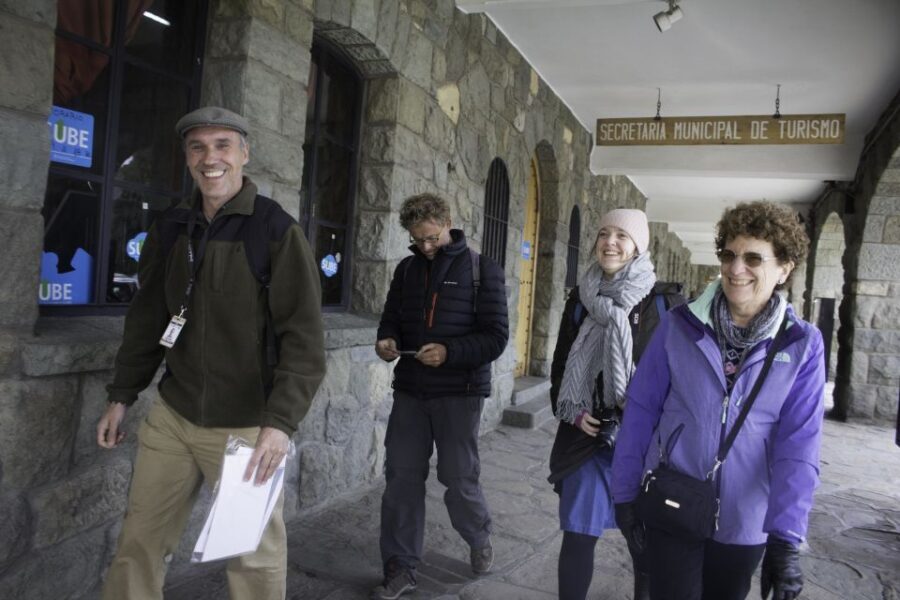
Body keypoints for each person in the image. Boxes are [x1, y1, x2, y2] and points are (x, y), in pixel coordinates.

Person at [96, 106, 326, 600]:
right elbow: (149, 317)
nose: (210, 158)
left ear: (244, 153)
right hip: (174, 419)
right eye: (198, 147)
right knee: (139, 541)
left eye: (223, 145)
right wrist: (122, 394)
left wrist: (280, 424)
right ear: (187, 159)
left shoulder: (276, 232)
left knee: (252, 557)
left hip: (247, 428)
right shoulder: (172, 226)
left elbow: (304, 340)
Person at [612, 201, 825, 600]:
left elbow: (799, 443)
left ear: (784, 268)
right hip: (673, 499)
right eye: (729, 255)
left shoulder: (802, 345)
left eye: (753, 258)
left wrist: (786, 536)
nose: (735, 268)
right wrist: (624, 495)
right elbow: (641, 411)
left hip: (745, 520)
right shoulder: (680, 325)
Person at [372, 193, 509, 599]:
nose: (426, 247)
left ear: (448, 222)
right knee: (401, 478)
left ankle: (478, 536)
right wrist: (387, 340)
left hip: (460, 393)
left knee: (458, 477)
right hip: (411, 390)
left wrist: (449, 353)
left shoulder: (484, 271)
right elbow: (391, 317)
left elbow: (496, 338)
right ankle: (400, 566)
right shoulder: (407, 270)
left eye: (431, 237)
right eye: (418, 241)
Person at [548, 208, 684, 600]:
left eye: (622, 236)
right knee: (578, 536)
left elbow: (680, 380)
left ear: (638, 247)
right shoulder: (581, 299)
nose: (611, 242)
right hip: (588, 440)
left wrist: (640, 411)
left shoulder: (666, 305)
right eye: (604, 233)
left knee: (643, 544)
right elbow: (560, 367)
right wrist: (574, 412)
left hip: (643, 446)